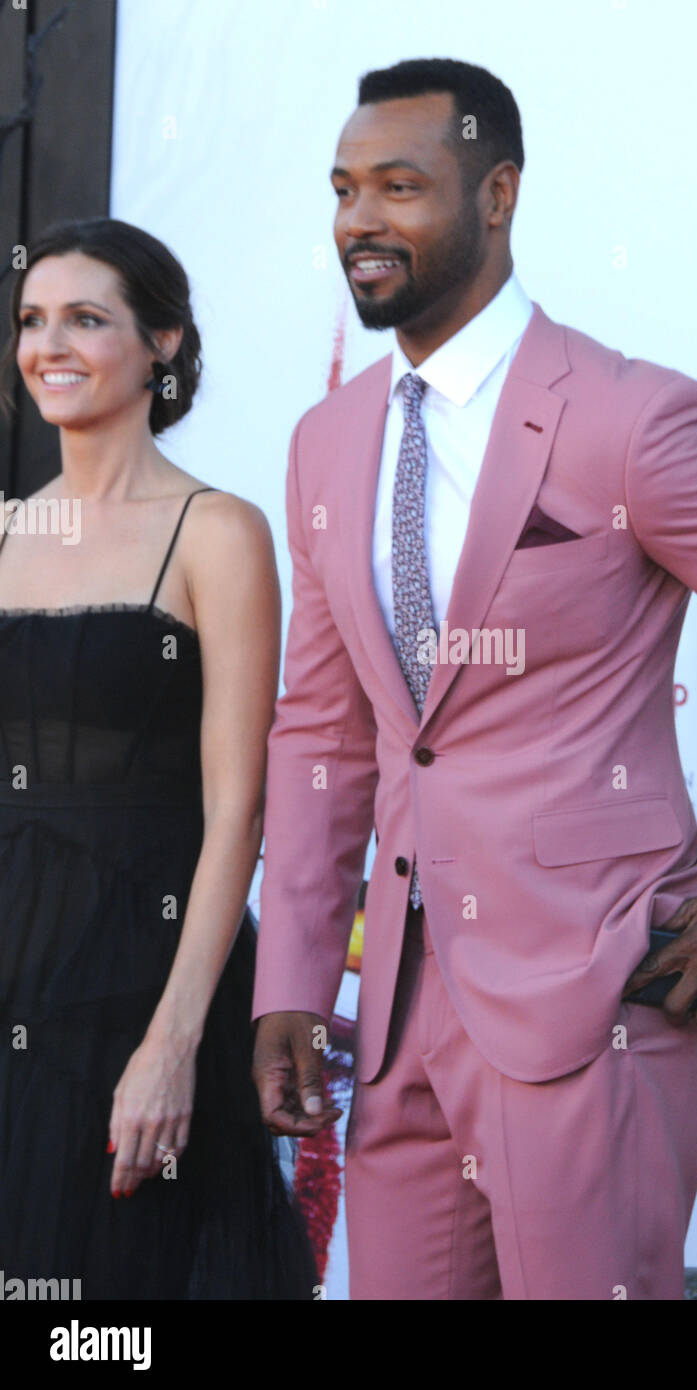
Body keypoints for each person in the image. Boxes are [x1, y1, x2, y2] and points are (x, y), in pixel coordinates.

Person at [251, 59, 697, 1300]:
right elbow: (321, 728)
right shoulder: (325, 441)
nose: (359, 220)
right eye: (342, 189)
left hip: (593, 991)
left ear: (497, 195)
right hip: (395, 1018)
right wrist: (292, 974)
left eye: (399, 185)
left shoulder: (623, 416)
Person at [0, 218, 317, 1298]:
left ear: (164, 343)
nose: (50, 344)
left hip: (148, 966)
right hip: (12, 957)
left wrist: (174, 1041)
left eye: (87, 318)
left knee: (128, 1275)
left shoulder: (216, 531)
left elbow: (237, 810)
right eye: (33, 319)